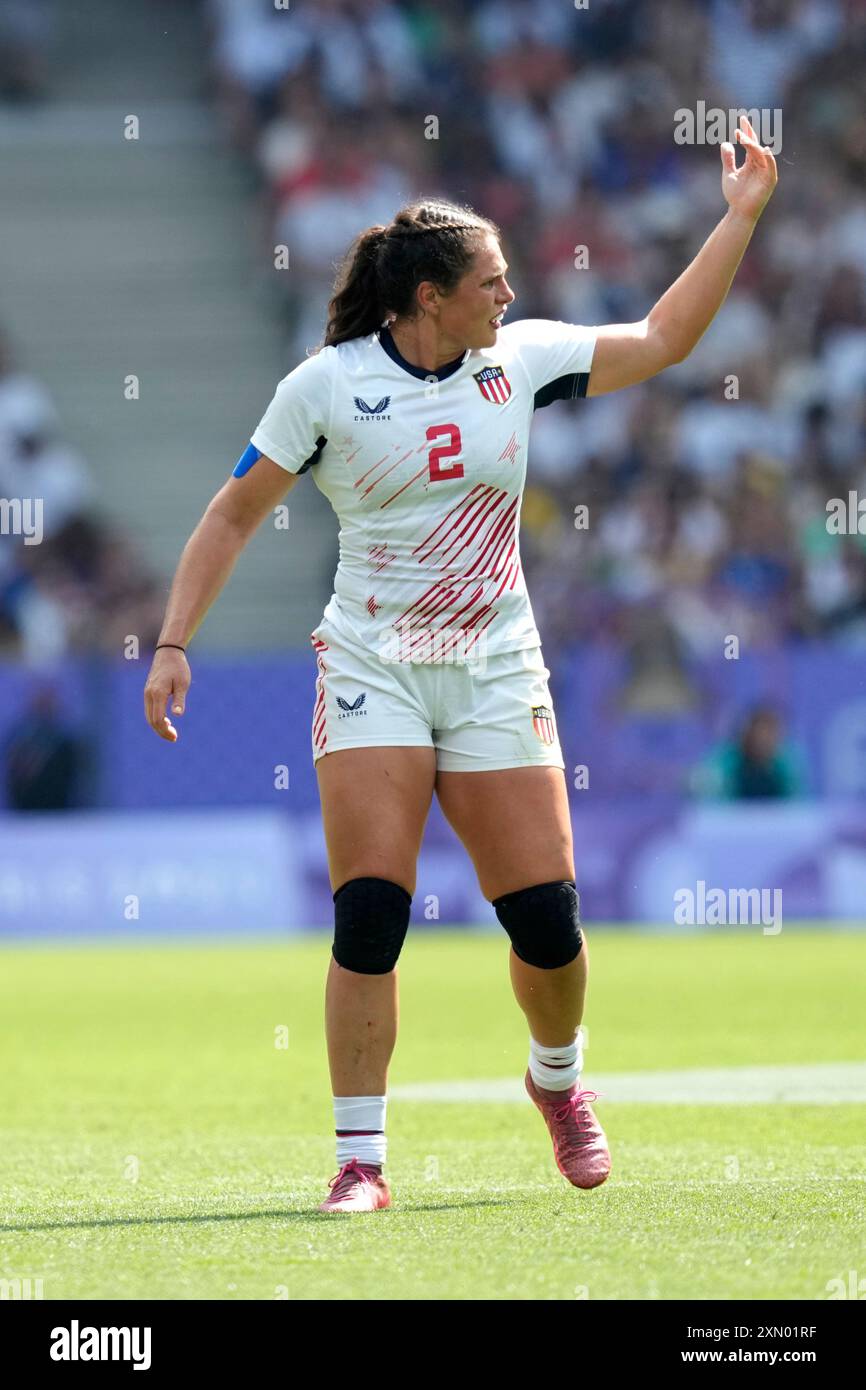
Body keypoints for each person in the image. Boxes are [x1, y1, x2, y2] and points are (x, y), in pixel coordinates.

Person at [144, 116, 777, 1212]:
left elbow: (664, 338)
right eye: (488, 279)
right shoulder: (326, 386)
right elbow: (232, 512)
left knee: (547, 923)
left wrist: (739, 219)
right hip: (372, 667)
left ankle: (557, 1081)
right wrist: (169, 642)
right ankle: (360, 1161)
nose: (507, 290)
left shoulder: (518, 359)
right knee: (370, 918)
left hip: (491, 665)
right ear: (428, 296)